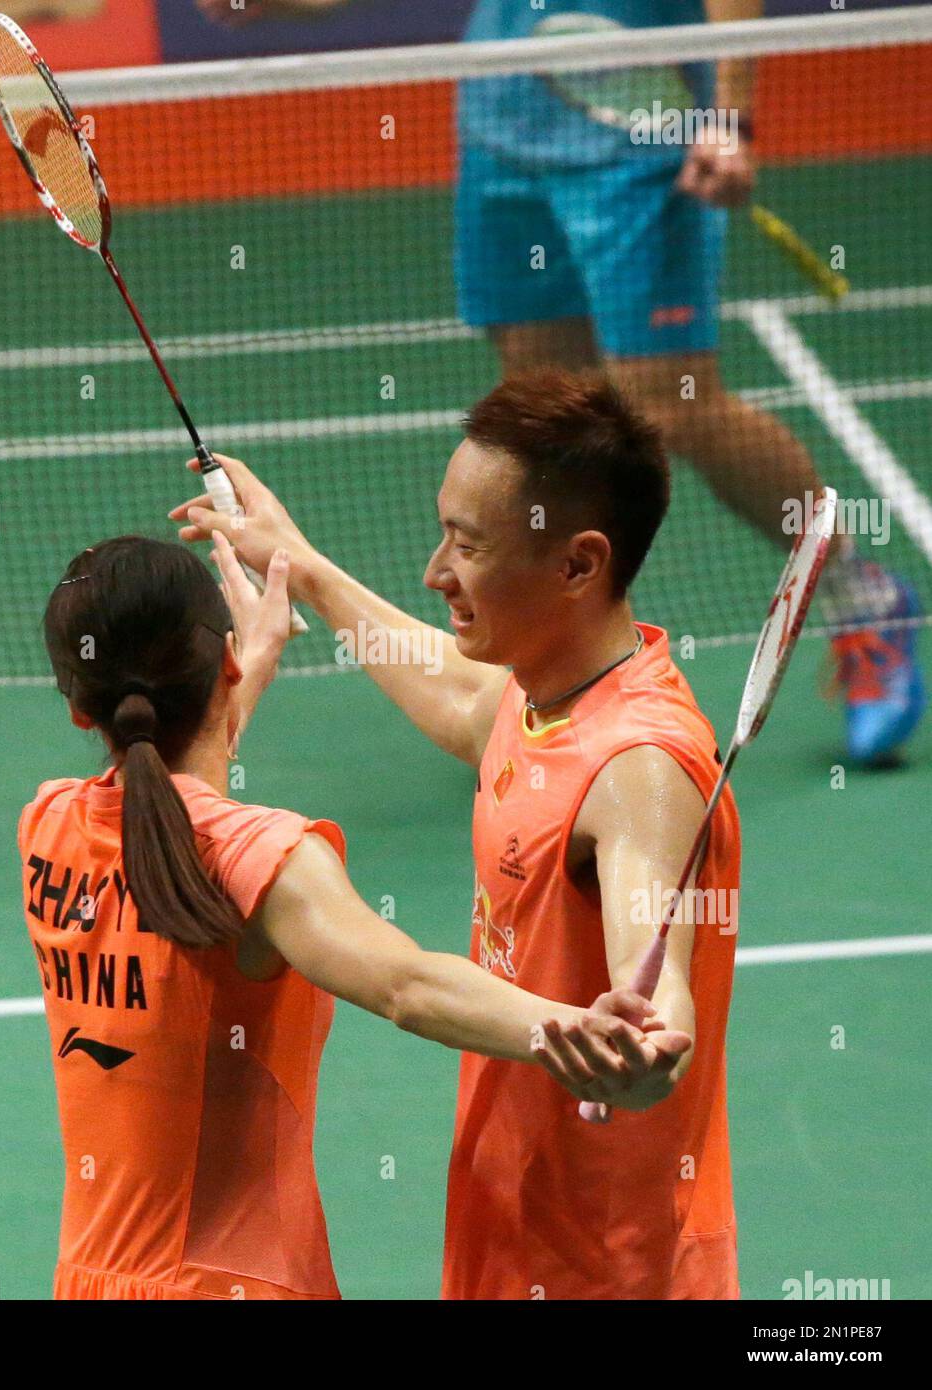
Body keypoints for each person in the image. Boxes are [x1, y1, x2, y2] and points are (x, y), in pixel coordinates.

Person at [198, 0, 925, 764]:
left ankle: (857, 589)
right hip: (506, 124)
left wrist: (729, 116)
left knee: (673, 406)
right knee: (541, 417)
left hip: (640, 141)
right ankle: (562, 674)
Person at [172, 367, 742, 1299]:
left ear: (578, 565)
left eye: (468, 546)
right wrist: (299, 566)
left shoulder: (639, 769)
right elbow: (457, 694)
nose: (436, 573)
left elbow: (660, 983)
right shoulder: (544, 689)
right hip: (509, 1219)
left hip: (608, 1262)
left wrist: (645, 1055)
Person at [19, 531, 687, 1301]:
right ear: (222, 663)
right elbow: (407, 986)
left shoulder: (46, 828)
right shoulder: (268, 864)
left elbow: (163, 787)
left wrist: (249, 661)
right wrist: (575, 1032)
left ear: (81, 712)